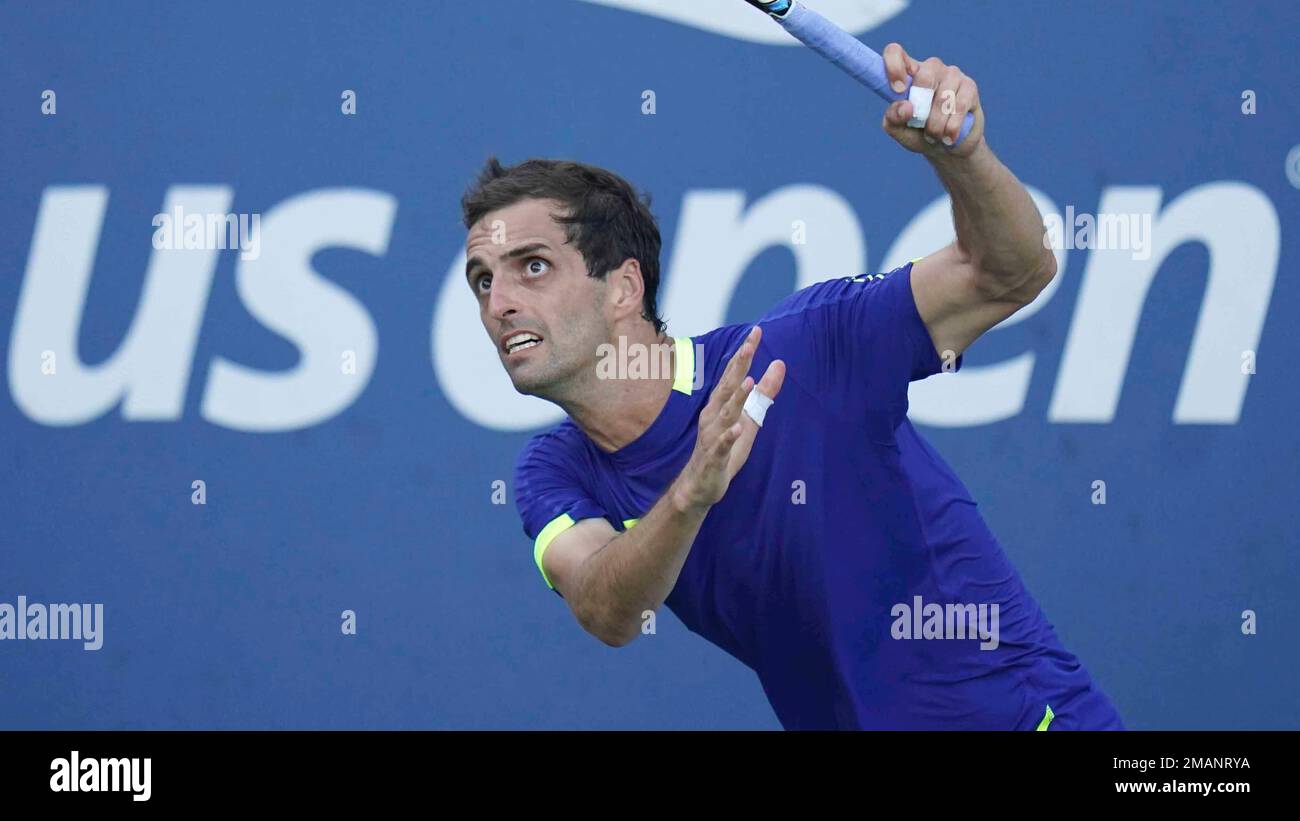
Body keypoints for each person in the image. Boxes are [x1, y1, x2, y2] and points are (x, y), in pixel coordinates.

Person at [460, 44, 1123, 729]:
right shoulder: (555, 469)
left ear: (624, 287)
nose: (498, 302)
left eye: (531, 266)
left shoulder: (809, 347)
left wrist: (962, 157)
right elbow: (607, 609)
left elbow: (1015, 271)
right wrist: (691, 493)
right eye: (483, 279)